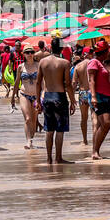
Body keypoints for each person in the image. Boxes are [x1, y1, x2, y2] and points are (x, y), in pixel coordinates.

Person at [35, 36, 75, 164]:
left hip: (47, 97)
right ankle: (58, 158)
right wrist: (73, 100)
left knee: (49, 129)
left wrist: (38, 100)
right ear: (62, 48)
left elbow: (38, 82)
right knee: (60, 129)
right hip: (60, 97)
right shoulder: (64, 63)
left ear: (51, 47)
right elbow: (68, 84)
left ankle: (48, 158)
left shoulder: (43, 62)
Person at [86, 39, 110, 160]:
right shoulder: (94, 62)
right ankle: (95, 151)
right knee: (106, 123)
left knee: (102, 125)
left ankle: (95, 151)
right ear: (105, 51)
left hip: (105, 97)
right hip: (98, 97)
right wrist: (93, 97)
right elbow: (91, 80)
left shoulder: (101, 62)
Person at [12, 46, 40, 149]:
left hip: (36, 96)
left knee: (33, 120)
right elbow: (17, 82)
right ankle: (28, 141)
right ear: (24, 54)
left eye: (31, 52)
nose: (29, 54)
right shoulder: (21, 67)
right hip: (24, 94)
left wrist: (43, 95)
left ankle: (31, 140)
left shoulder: (38, 65)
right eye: (27, 52)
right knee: (27, 119)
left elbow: (43, 82)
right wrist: (12, 98)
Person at [71, 51, 91, 147]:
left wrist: (71, 98)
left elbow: (74, 83)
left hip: (83, 93)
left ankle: (84, 140)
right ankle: (96, 138)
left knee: (84, 118)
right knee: (95, 117)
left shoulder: (78, 67)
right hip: (92, 92)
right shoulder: (93, 63)